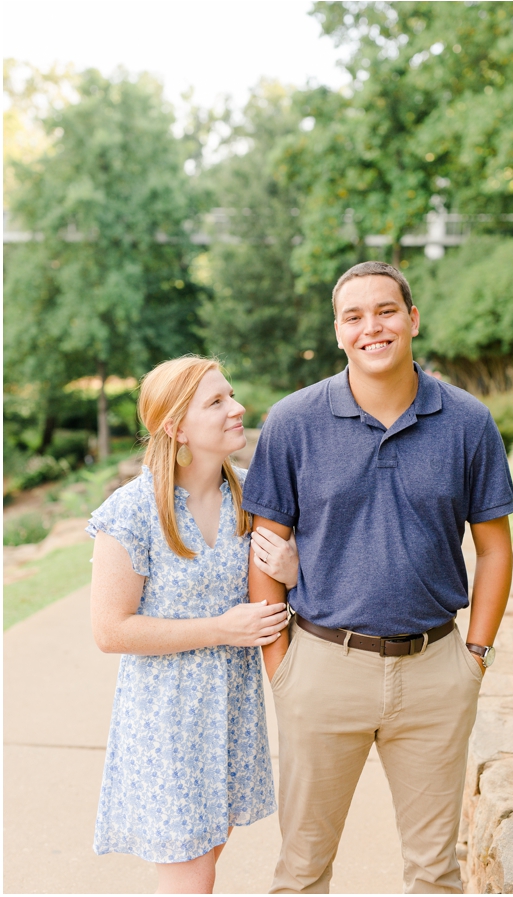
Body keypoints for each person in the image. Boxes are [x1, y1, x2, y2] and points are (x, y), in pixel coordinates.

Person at [243, 260, 513, 894]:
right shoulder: (293, 423)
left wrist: (475, 656)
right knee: (302, 871)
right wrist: (282, 668)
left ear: (413, 319)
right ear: (338, 332)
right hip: (320, 668)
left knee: (435, 873)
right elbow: (265, 549)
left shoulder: (468, 422)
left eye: (386, 311)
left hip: (435, 673)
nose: (373, 327)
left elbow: (495, 550)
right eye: (354, 316)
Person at [89, 356, 299, 894]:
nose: (238, 409)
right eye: (217, 402)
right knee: (191, 879)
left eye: (231, 395)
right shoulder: (132, 511)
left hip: (231, 714)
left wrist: (295, 571)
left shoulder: (253, 499)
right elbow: (111, 631)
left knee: (202, 865)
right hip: (166, 721)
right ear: (176, 427)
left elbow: (284, 594)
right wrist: (221, 629)